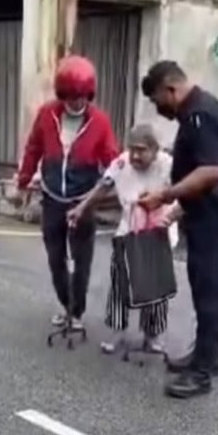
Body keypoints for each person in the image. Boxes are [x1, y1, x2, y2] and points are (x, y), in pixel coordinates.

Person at [137, 60, 218, 400]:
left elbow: (210, 171)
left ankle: (203, 371)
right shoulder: (200, 110)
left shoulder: (199, 115)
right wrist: (180, 210)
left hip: (214, 214)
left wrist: (165, 197)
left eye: (157, 100)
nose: (158, 108)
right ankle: (204, 357)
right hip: (206, 211)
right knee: (202, 288)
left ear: (171, 88)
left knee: (210, 293)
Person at [14, 55, 120, 330]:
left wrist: (124, 186)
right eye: (71, 97)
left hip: (83, 201)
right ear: (61, 94)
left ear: (90, 93)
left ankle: (77, 313)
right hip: (52, 198)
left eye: (82, 97)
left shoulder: (100, 122)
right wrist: (24, 180)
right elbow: (33, 147)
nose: (76, 103)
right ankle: (66, 303)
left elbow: (112, 159)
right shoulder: (47, 114)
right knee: (55, 257)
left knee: (82, 260)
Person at [67, 123, 180, 354]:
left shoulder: (169, 166)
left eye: (141, 150)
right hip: (128, 230)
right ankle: (117, 330)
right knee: (120, 285)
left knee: (155, 289)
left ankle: (152, 335)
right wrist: (81, 208)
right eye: (132, 149)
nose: (135, 155)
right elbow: (104, 185)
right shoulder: (122, 162)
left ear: (155, 149)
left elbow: (184, 192)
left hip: (159, 231)